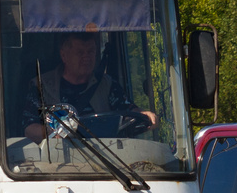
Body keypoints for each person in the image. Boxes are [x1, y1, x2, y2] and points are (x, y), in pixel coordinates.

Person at [24, 32, 157, 143]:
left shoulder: (107, 85)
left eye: (91, 51)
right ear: (64, 55)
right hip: (56, 162)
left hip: (107, 157)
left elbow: (128, 109)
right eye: (80, 52)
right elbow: (29, 128)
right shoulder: (41, 86)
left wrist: (144, 114)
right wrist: (56, 131)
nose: (87, 57)